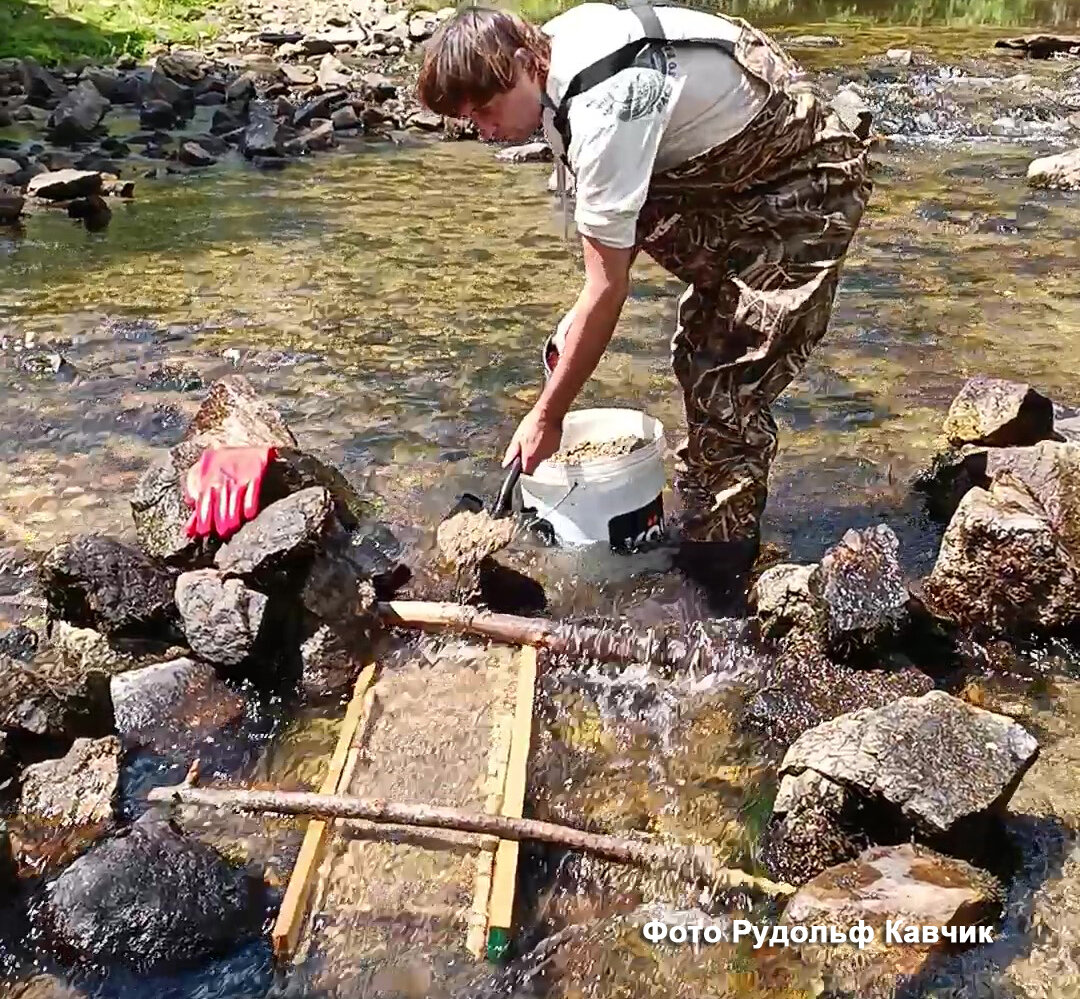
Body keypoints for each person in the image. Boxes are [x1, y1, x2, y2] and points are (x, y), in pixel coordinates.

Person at [417, 0, 872, 602]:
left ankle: (719, 577)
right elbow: (614, 239)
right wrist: (574, 322)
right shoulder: (552, 66)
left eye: (488, 111)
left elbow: (609, 288)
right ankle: (711, 515)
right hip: (726, 182)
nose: (486, 131)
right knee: (700, 345)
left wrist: (549, 413)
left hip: (805, 186)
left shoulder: (606, 106)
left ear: (525, 63)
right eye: (470, 120)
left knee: (726, 373)